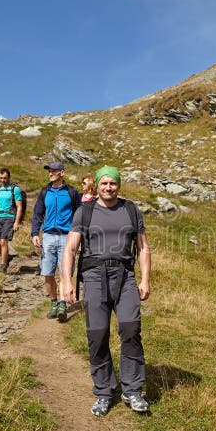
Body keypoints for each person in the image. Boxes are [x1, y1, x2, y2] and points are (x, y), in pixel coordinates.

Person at [61, 165, 151, 416]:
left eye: (113, 183)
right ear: (97, 185)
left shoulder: (131, 210)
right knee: (98, 334)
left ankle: (132, 390)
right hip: (94, 277)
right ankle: (103, 391)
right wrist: (66, 282)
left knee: (131, 328)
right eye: (104, 183)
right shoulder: (85, 212)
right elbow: (70, 249)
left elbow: (143, 248)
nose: (109, 188)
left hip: (125, 277)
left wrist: (145, 279)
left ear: (118, 185)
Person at [31, 161, 81, 321]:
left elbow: (80, 215)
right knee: (47, 273)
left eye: (53, 171)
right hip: (48, 237)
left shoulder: (72, 192)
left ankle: (61, 304)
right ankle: (53, 302)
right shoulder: (45, 192)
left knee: (65, 273)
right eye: (49, 171)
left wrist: (79, 237)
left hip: (67, 237)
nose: (50, 173)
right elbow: (38, 213)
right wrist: (34, 233)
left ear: (62, 173)